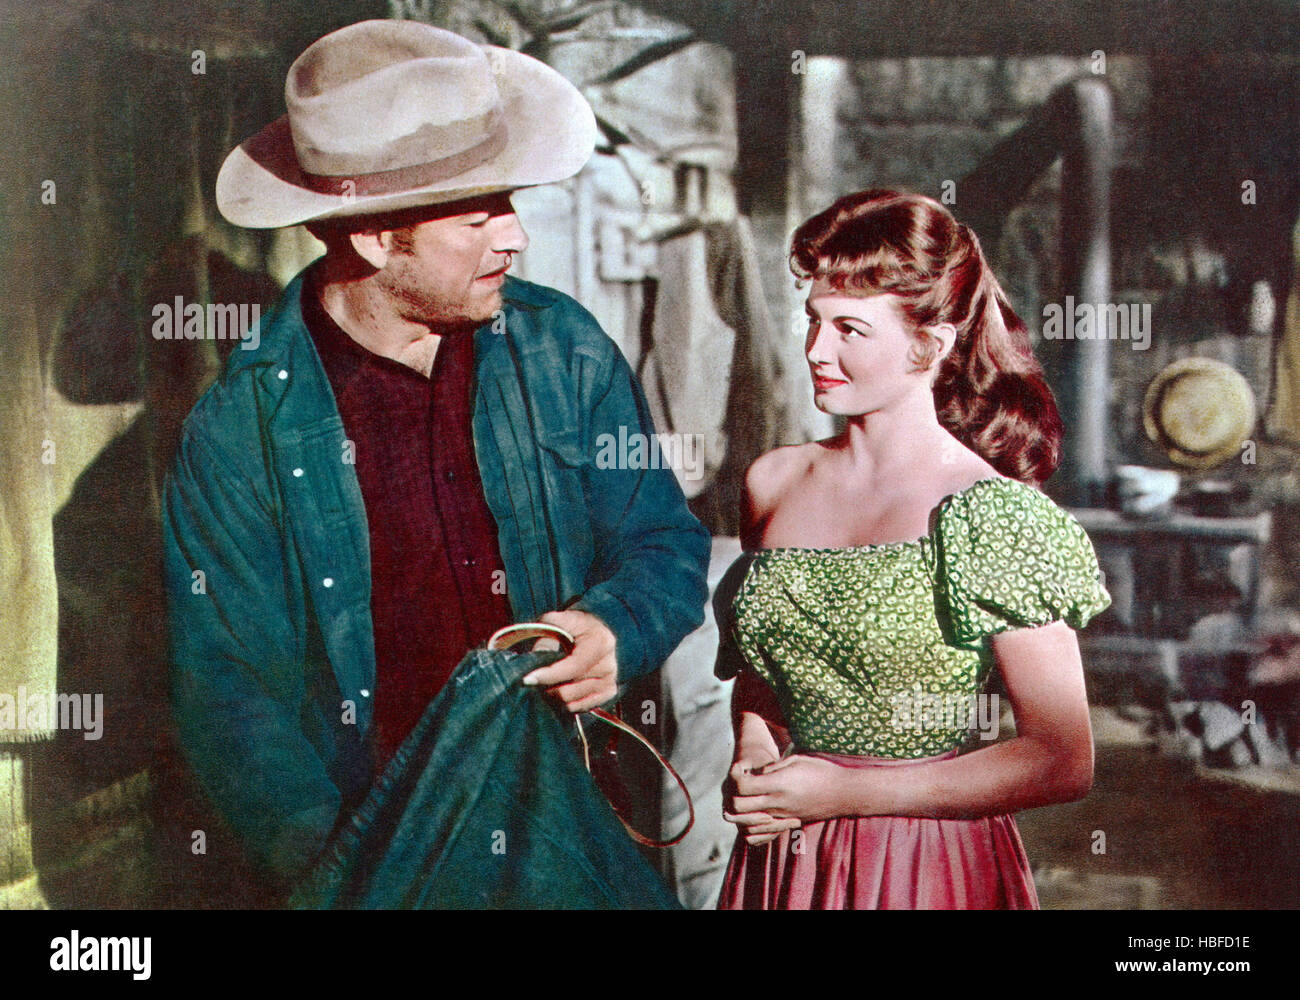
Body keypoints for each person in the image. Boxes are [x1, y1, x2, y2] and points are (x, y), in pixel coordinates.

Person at [160, 19, 710, 896]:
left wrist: (615, 627)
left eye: (511, 202)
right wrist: (337, 875)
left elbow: (664, 544)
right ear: (376, 238)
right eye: (478, 213)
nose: (515, 237)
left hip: (576, 831)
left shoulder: (563, 349)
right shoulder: (239, 433)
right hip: (386, 858)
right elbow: (230, 698)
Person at [715, 189, 1111, 909]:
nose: (815, 350)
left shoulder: (991, 515)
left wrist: (847, 792)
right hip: (786, 858)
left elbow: (1061, 758)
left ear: (929, 345)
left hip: (922, 859)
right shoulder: (772, 481)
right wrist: (756, 750)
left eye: (850, 329)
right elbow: (765, 673)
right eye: (813, 320)